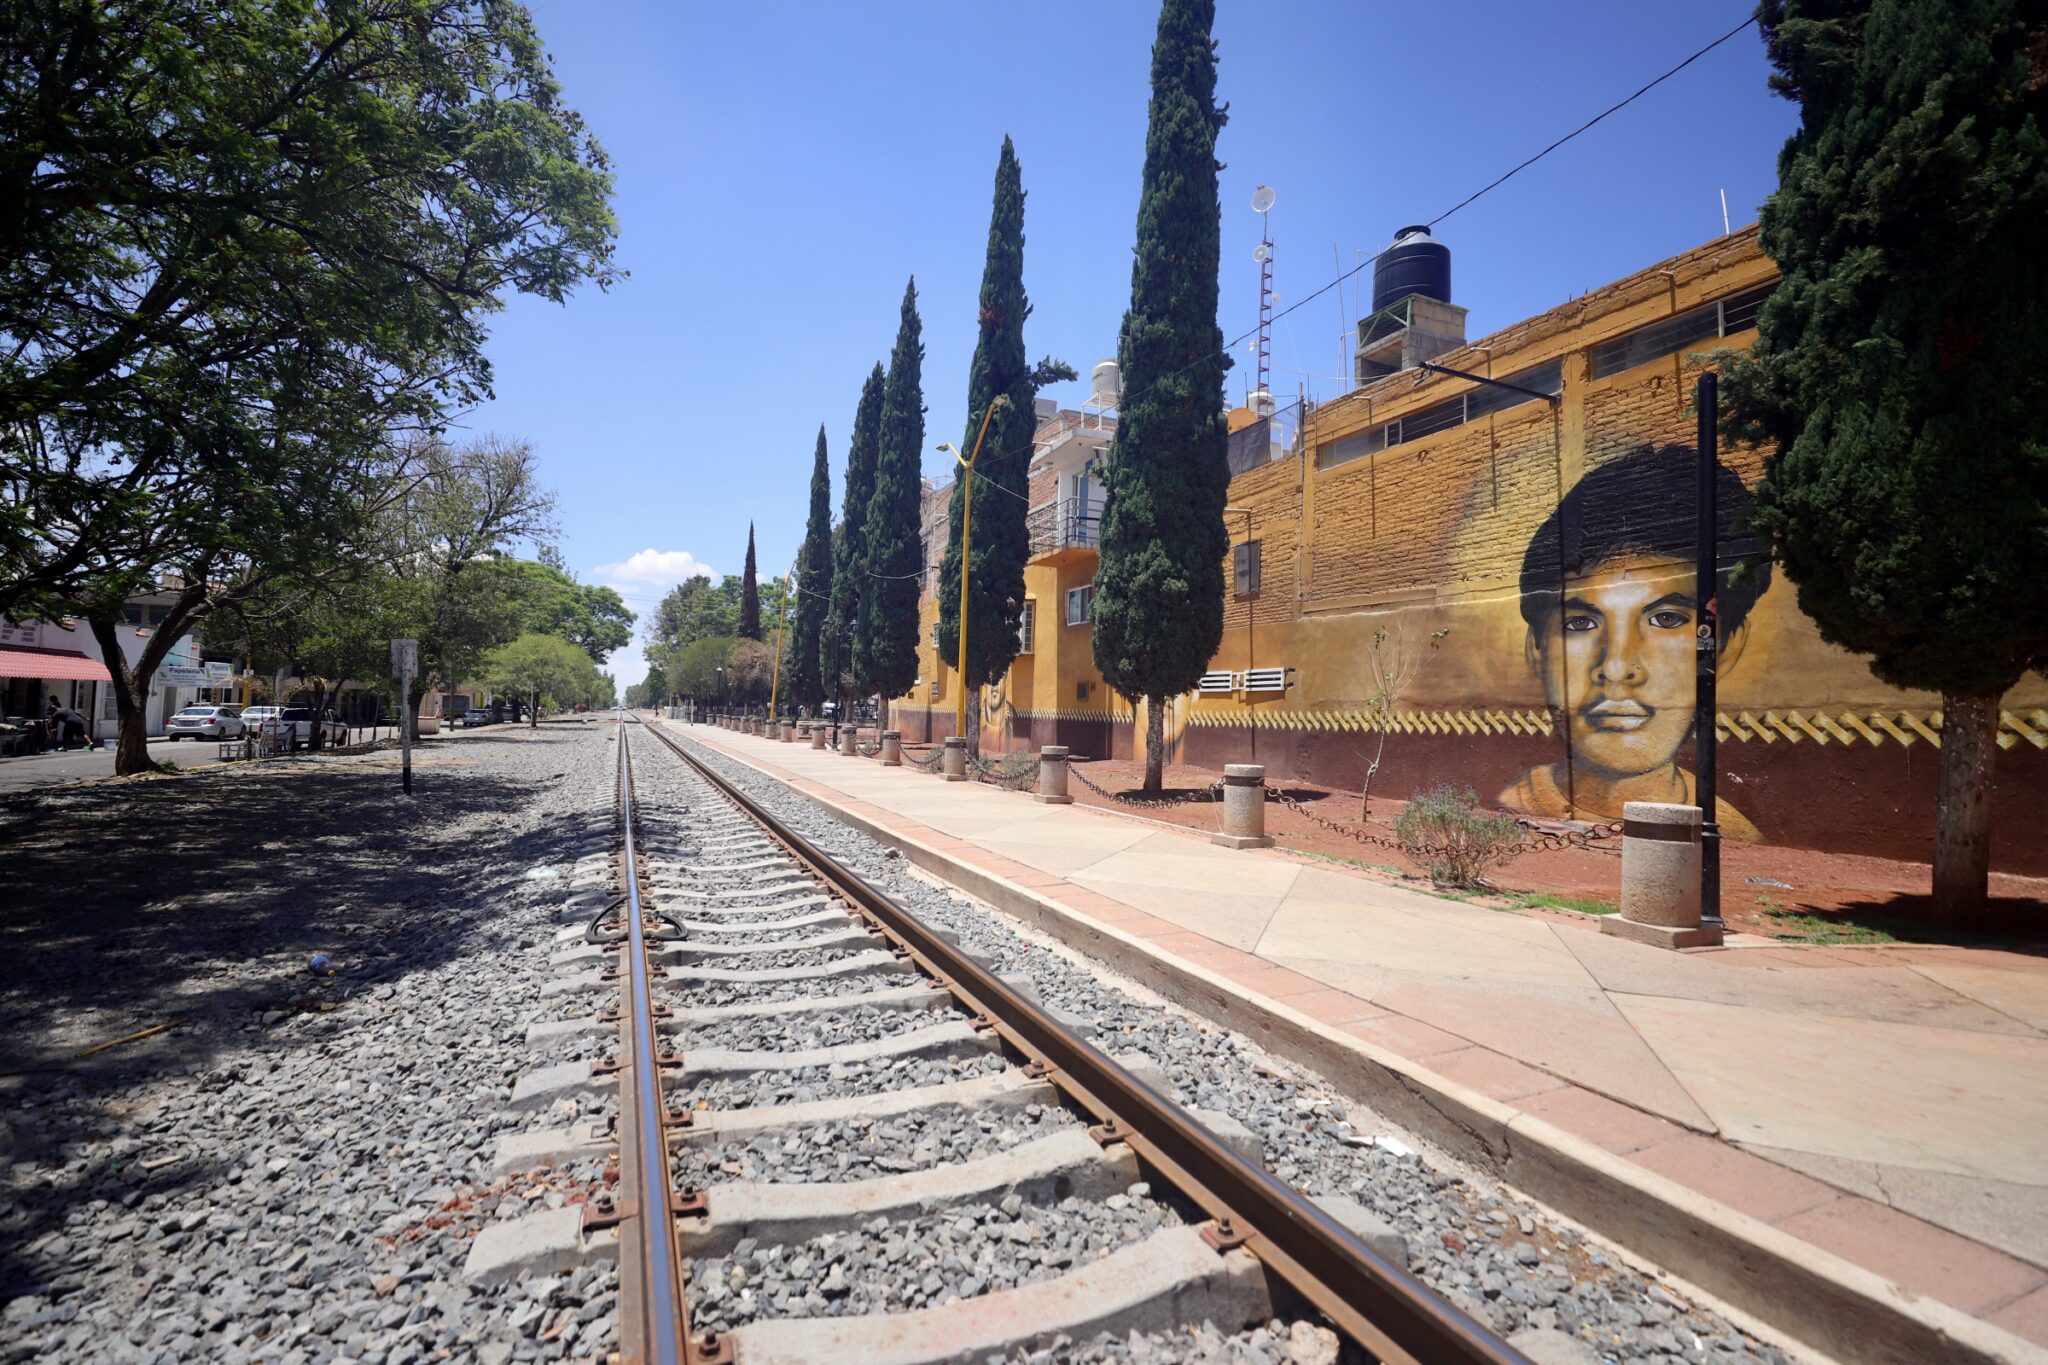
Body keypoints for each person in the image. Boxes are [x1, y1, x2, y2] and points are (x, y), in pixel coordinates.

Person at [1497, 445, 1772, 841]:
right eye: (1580, 623)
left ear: (1724, 646)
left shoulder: (1737, 837)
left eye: (1666, 619)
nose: (1616, 667)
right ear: (1536, 649)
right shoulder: (1507, 802)